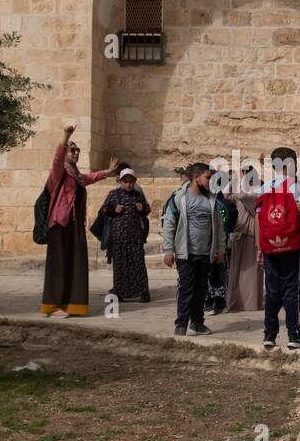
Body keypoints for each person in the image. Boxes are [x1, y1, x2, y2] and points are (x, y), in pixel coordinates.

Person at [40, 125, 118, 317]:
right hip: (60, 224)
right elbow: (57, 159)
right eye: (72, 150)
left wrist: (107, 172)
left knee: (74, 264)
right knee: (60, 264)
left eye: (77, 150)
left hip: (73, 225)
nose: (75, 153)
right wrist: (66, 136)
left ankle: (72, 305)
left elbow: (88, 178)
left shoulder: (75, 174)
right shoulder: (60, 172)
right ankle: (55, 306)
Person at [161, 162, 225, 337]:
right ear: (196, 178)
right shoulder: (179, 198)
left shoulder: (212, 199)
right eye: (207, 177)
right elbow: (169, 224)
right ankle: (181, 324)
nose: (209, 181)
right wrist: (168, 250)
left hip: (206, 254)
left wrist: (220, 249)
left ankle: (197, 323)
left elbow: (219, 227)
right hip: (185, 254)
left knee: (201, 291)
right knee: (186, 290)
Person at [257, 147, 300, 349]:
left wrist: (259, 247)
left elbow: (259, 219)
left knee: (272, 289)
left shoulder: (265, 188)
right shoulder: (295, 186)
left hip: (269, 245)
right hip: (290, 245)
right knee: (290, 288)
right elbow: (298, 211)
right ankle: (293, 333)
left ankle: (269, 334)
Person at [100, 166, 151, 303]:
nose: (128, 184)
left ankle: (143, 292)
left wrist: (142, 209)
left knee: (138, 265)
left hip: (135, 237)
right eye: (125, 181)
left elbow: (147, 209)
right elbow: (104, 210)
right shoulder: (113, 194)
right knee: (120, 265)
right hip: (118, 237)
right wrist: (113, 209)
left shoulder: (138, 195)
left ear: (134, 181)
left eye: (131, 181)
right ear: (120, 181)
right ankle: (120, 292)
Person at [226, 168, 264, 311]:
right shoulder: (243, 189)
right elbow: (226, 195)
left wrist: (238, 181)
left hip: (252, 232)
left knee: (251, 269)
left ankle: (250, 303)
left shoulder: (256, 189)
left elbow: (242, 197)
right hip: (240, 230)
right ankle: (237, 301)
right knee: (237, 267)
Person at [205, 186, 237, 316]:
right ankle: (220, 302)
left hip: (210, 246)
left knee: (210, 275)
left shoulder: (211, 205)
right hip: (223, 244)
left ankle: (209, 303)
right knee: (221, 274)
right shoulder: (227, 204)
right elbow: (230, 223)